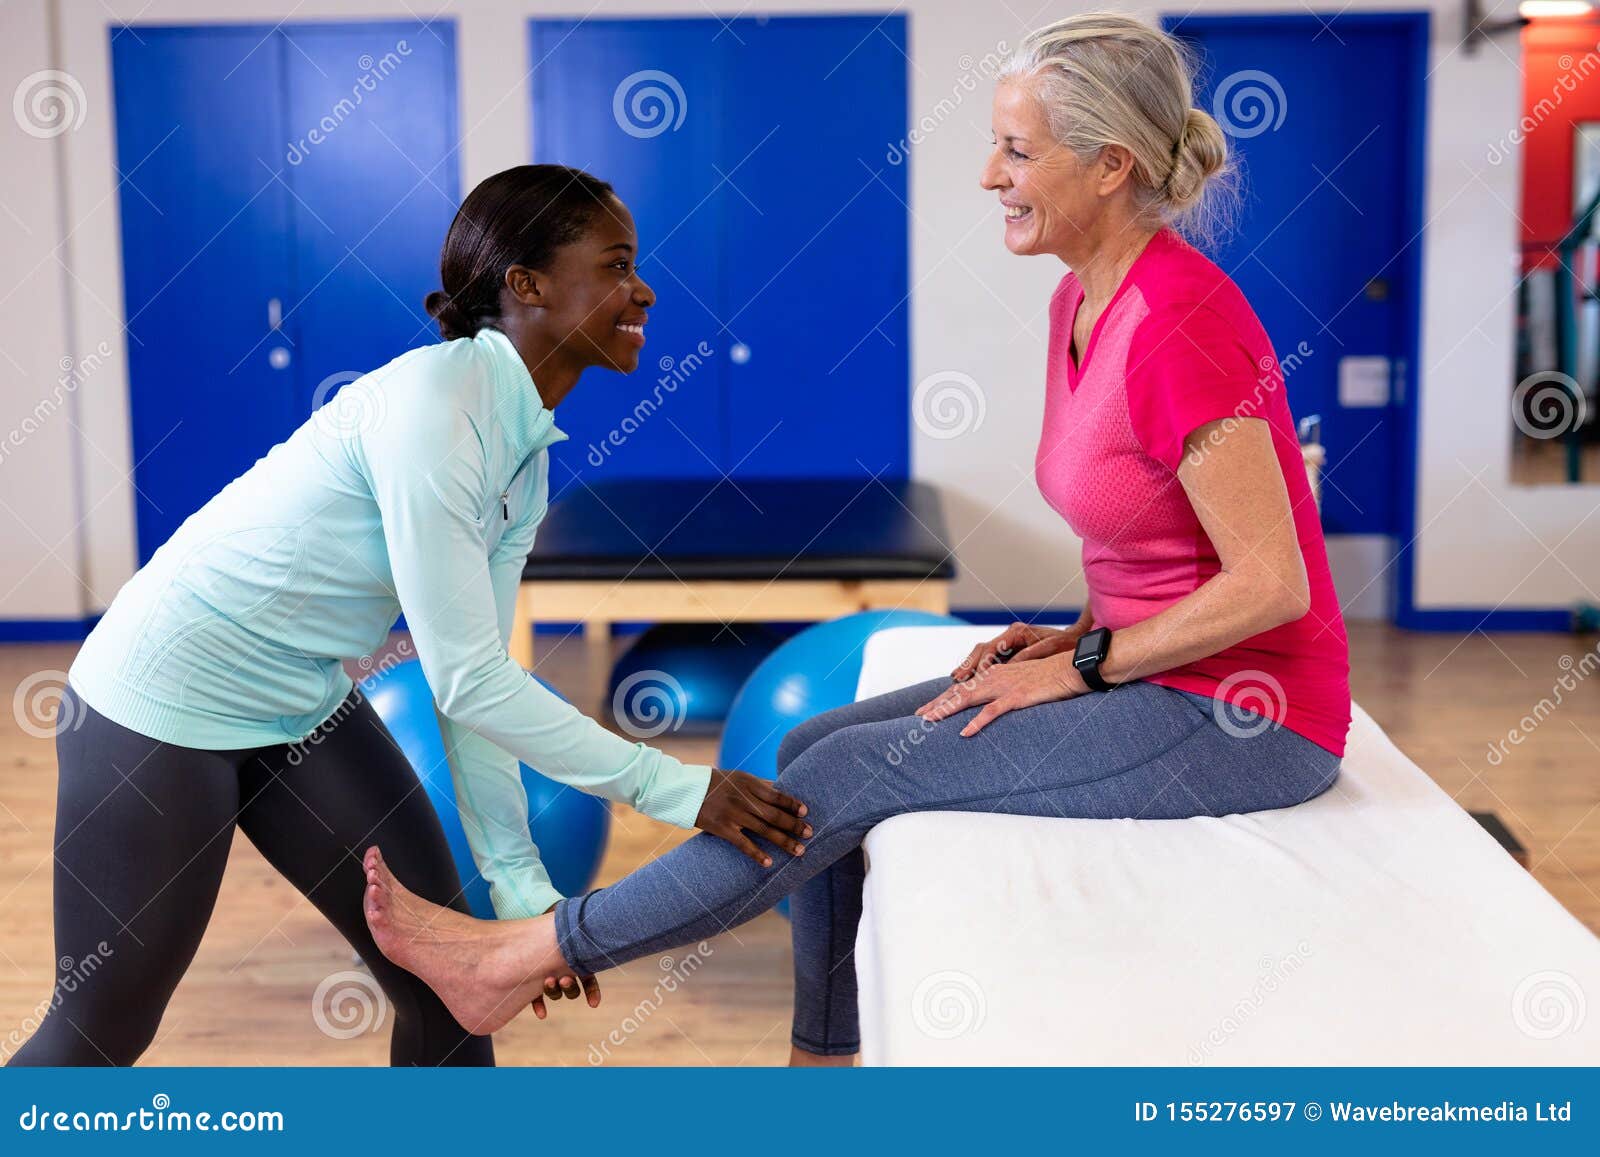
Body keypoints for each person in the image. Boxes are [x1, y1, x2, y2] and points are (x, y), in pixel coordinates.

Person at [360, 12, 1353, 1067]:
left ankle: (519, 955)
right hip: (1154, 671)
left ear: (1110, 166)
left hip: (1246, 713)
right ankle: (821, 1059)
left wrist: (1089, 668)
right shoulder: (1082, 296)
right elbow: (1154, 538)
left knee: (839, 782)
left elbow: (1270, 581)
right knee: (801, 749)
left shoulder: (1183, 319)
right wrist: (1069, 640)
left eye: (1016, 150)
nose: (988, 174)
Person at [9, 164, 807, 1067]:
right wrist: (683, 789)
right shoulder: (437, 408)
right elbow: (471, 679)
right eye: (618, 264)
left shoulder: (523, 450)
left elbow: (473, 685)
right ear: (527, 285)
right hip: (158, 699)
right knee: (100, 1030)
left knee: (452, 981)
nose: (644, 288)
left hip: (296, 701)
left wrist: (519, 892)